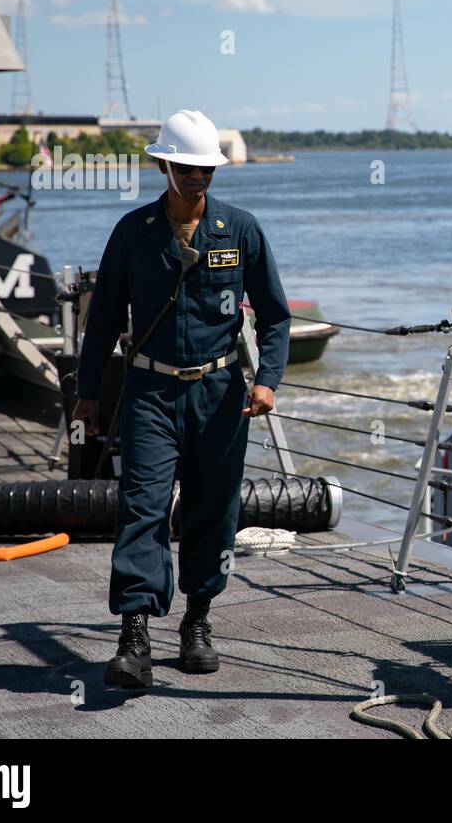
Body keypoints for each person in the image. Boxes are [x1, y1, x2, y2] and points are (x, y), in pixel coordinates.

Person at [73, 109, 290, 688]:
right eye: (188, 167)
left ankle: (197, 621)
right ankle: (135, 635)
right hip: (149, 392)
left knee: (213, 511)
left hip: (220, 396)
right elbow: (102, 325)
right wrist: (87, 394)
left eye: (207, 169)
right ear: (165, 165)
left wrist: (268, 380)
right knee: (142, 506)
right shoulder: (132, 233)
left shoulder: (241, 231)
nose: (199, 178)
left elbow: (274, 316)